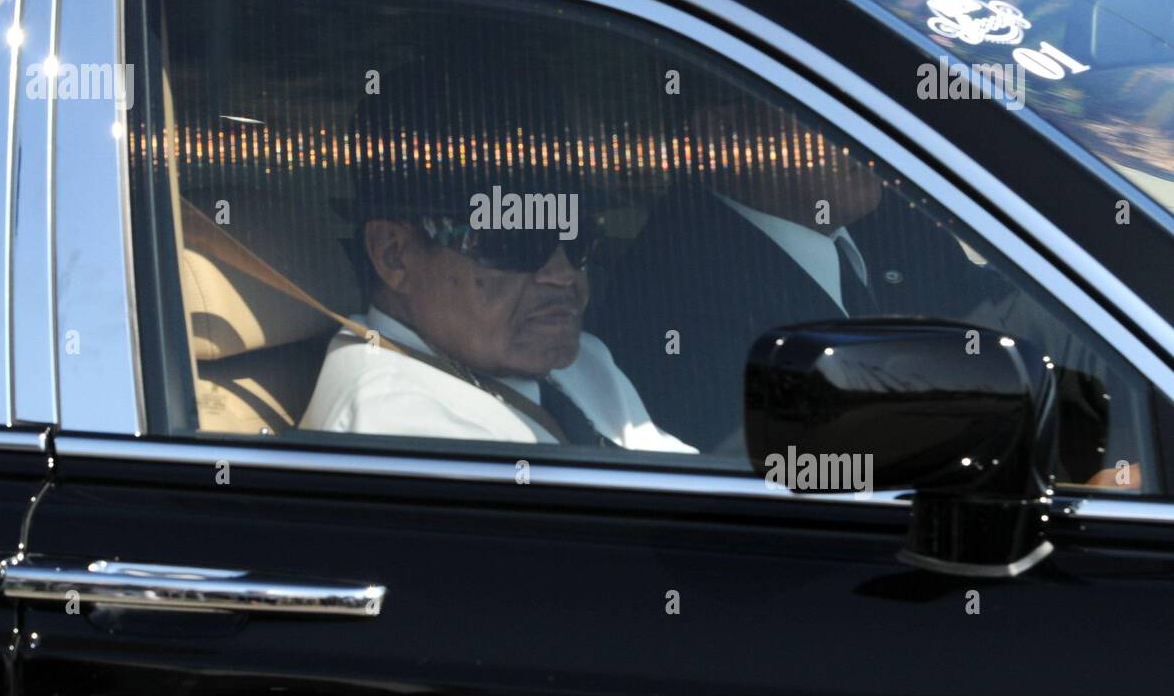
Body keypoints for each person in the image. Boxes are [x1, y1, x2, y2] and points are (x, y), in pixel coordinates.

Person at [300, 74, 694, 454]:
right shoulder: (399, 428)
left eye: (577, 234)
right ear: (394, 255)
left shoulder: (582, 363)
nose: (562, 274)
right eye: (515, 237)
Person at [590, 89, 993, 455]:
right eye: (829, 104)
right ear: (722, 132)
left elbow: (995, 317)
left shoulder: (895, 224)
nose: (869, 128)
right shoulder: (672, 301)